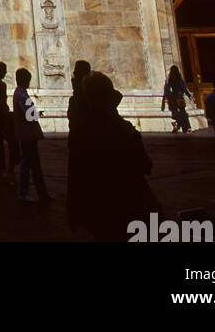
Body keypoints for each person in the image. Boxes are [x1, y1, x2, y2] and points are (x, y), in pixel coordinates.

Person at [67, 70, 157, 240]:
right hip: (132, 201)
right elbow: (146, 166)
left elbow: (76, 173)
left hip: (100, 206)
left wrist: (73, 208)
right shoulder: (126, 129)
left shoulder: (82, 132)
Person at [12, 67, 49, 202]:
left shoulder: (20, 94)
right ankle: (24, 192)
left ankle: (41, 193)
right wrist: (37, 114)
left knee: (31, 164)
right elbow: (29, 115)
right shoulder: (22, 95)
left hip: (26, 133)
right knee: (27, 164)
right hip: (27, 133)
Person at [160, 64, 194, 135]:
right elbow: (184, 88)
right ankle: (179, 124)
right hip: (179, 98)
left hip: (172, 98)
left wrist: (166, 98)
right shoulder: (179, 79)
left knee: (182, 113)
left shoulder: (170, 79)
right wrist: (190, 96)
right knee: (183, 113)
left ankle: (187, 128)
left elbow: (167, 89)